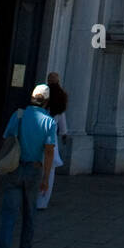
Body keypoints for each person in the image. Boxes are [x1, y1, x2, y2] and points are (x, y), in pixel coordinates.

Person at [0, 83, 56, 248]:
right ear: (46, 101)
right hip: (34, 170)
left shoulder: (18, 115)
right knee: (30, 213)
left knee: (8, 215)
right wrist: (46, 178)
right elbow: (48, 152)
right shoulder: (49, 122)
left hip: (15, 168)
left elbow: (7, 140)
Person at [36, 72, 68, 210]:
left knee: (36, 167)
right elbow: (63, 126)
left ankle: (32, 198)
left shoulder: (42, 97)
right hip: (51, 138)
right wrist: (64, 134)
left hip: (37, 136)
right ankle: (42, 202)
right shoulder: (60, 102)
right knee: (49, 172)